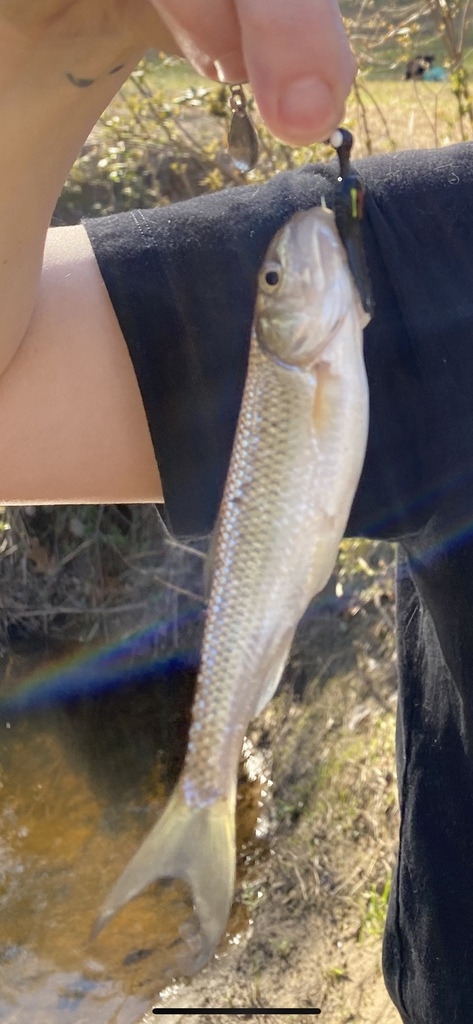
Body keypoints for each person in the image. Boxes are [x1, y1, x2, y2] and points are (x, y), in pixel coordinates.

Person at [2, 4, 473, 1024]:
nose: (287, 269)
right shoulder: (427, 247)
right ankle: (202, 796)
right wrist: (51, 49)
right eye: (274, 280)